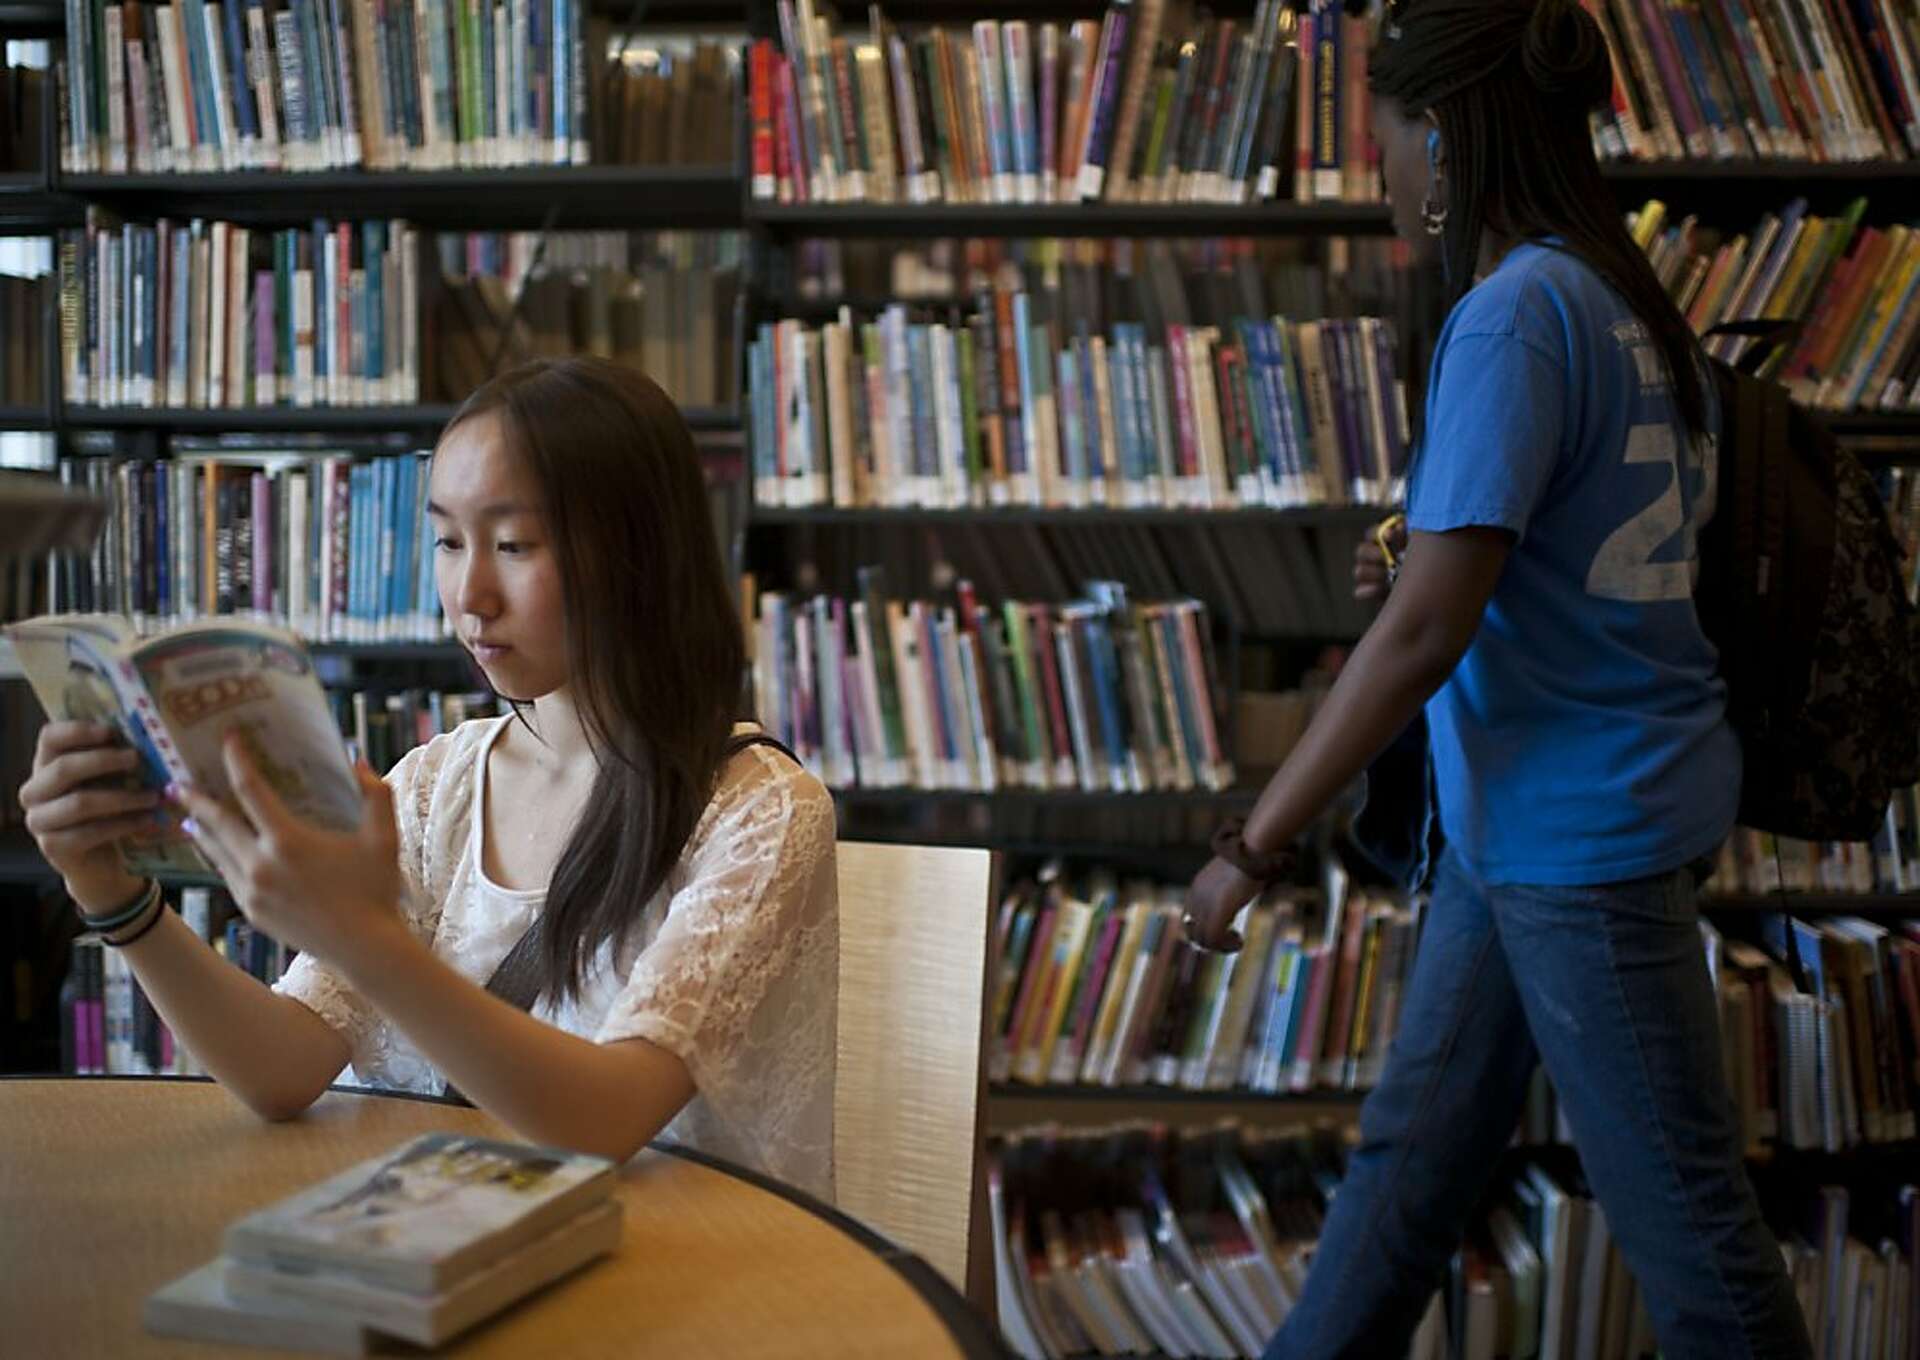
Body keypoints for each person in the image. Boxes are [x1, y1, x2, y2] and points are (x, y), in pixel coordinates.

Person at [1182, 2, 1815, 1356]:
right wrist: (1426, 557)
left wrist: (1253, 845)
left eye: (1393, 140)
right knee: (1403, 1184)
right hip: (1537, 819)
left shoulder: (1511, 314)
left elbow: (1422, 641)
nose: (1385, 176)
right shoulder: (1616, 293)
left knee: (1700, 1257)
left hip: (1577, 838)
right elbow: (1582, 553)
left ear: (1451, 136)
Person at [18, 357, 840, 1202]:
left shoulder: (760, 810)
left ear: (641, 554)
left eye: (514, 544)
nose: (470, 593)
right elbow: (281, 1069)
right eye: (448, 540)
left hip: (694, 1280)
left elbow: (609, 1116)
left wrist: (361, 938)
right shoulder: (435, 783)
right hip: (449, 1253)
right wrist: (108, 889)